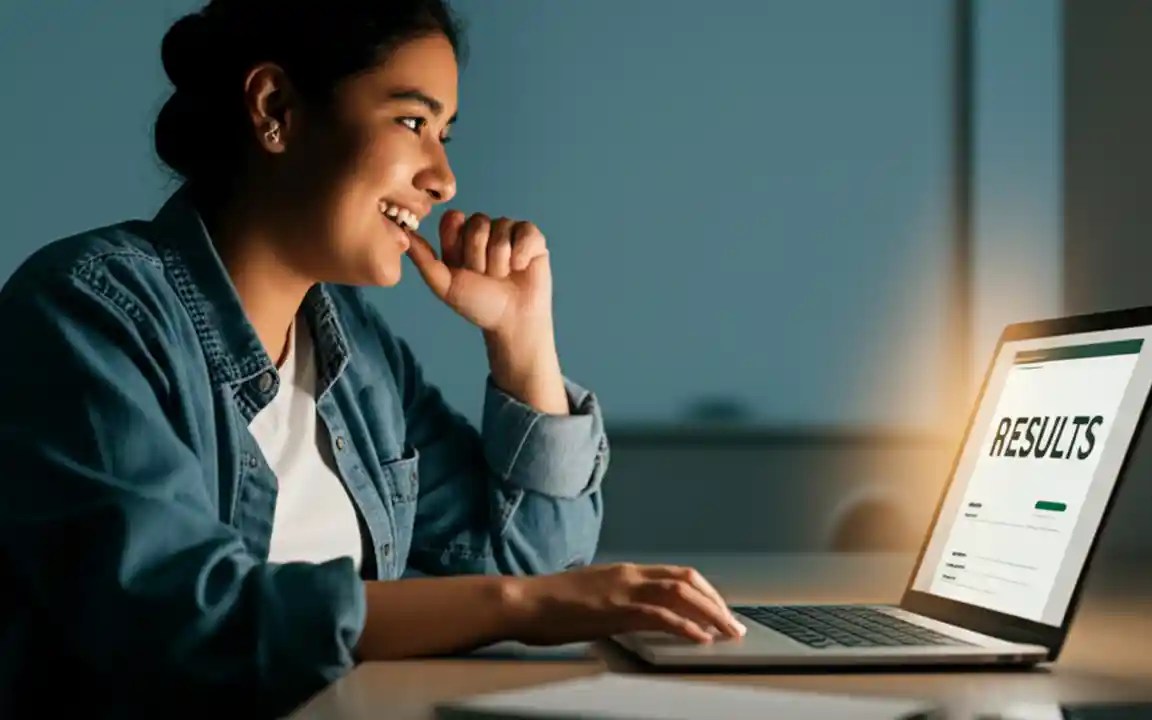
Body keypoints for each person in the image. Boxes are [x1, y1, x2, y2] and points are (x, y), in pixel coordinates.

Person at [0, 1, 744, 715]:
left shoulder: (356, 351)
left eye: (445, 133)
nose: (443, 178)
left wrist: (523, 342)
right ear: (276, 110)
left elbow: (534, 568)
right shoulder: (86, 308)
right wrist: (521, 604)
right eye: (413, 121)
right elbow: (183, 616)